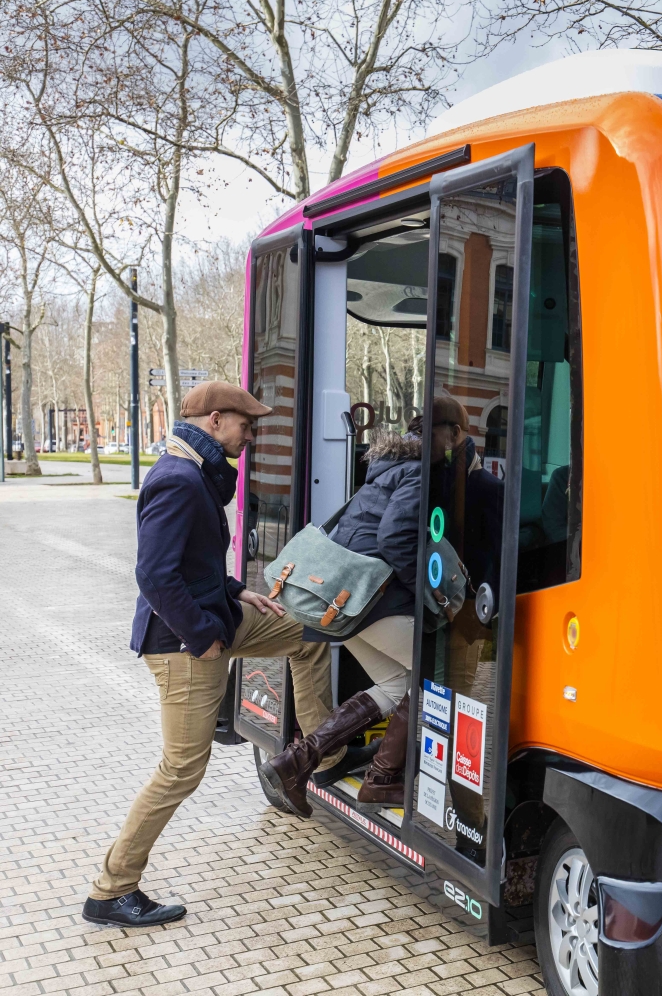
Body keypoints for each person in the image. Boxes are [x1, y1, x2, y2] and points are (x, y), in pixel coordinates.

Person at [83, 382, 341, 928]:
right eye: (247, 427)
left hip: (214, 619)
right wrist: (203, 635)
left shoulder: (194, 472)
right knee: (181, 769)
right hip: (185, 645)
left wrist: (231, 589)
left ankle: (319, 754)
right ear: (217, 419)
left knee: (306, 633)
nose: (251, 437)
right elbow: (154, 575)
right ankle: (112, 889)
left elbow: (191, 561)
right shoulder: (177, 479)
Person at [259, 424, 424, 814]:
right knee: (430, 674)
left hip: (338, 605)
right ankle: (382, 780)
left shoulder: (382, 472)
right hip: (370, 601)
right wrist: (422, 591)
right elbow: (395, 539)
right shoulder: (418, 474)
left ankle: (294, 762)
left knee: (397, 680)